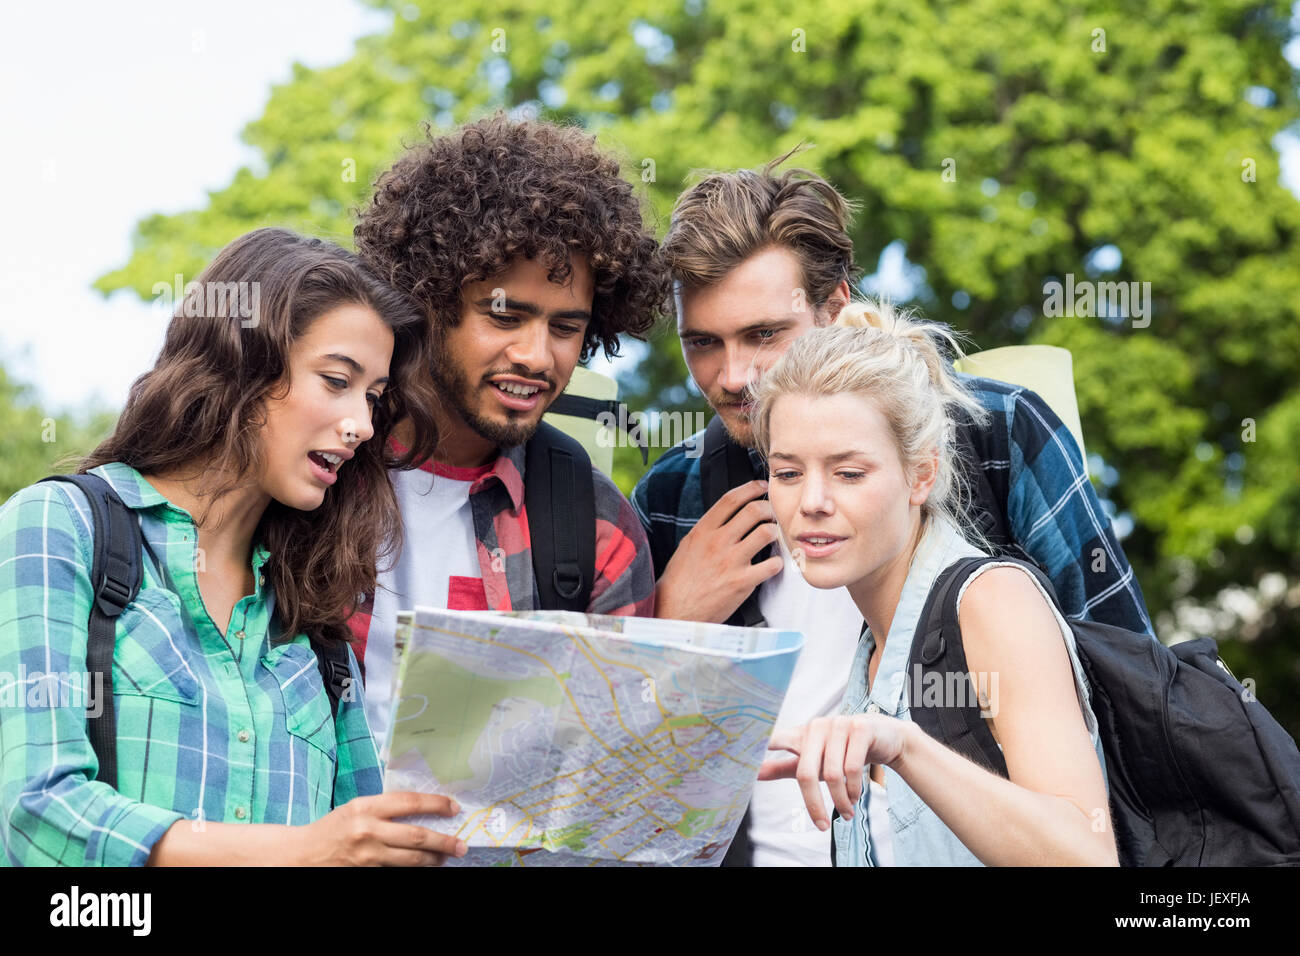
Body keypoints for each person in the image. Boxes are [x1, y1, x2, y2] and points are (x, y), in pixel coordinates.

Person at [630, 151, 1151, 866]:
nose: (735, 376)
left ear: (835, 308)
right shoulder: (671, 498)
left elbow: (1132, 697)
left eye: (763, 335)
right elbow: (623, 769)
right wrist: (668, 621)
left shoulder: (997, 437)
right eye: (703, 343)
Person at [0, 228, 464, 866]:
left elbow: (363, 849)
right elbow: (36, 814)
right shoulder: (59, 527)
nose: (361, 424)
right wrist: (299, 852)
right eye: (336, 380)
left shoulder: (318, 629)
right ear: (242, 364)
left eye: (374, 399)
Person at [751, 304, 1117, 866]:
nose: (812, 502)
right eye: (788, 472)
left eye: (849, 473)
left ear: (921, 474)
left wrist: (904, 747)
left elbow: (1087, 857)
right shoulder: (871, 647)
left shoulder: (993, 603)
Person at [351, 114, 672, 751]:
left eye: (564, 328)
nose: (536, 356)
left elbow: (606, 774)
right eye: (505, 315)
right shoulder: (319, 472)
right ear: (431, 300)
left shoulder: (597, 527)